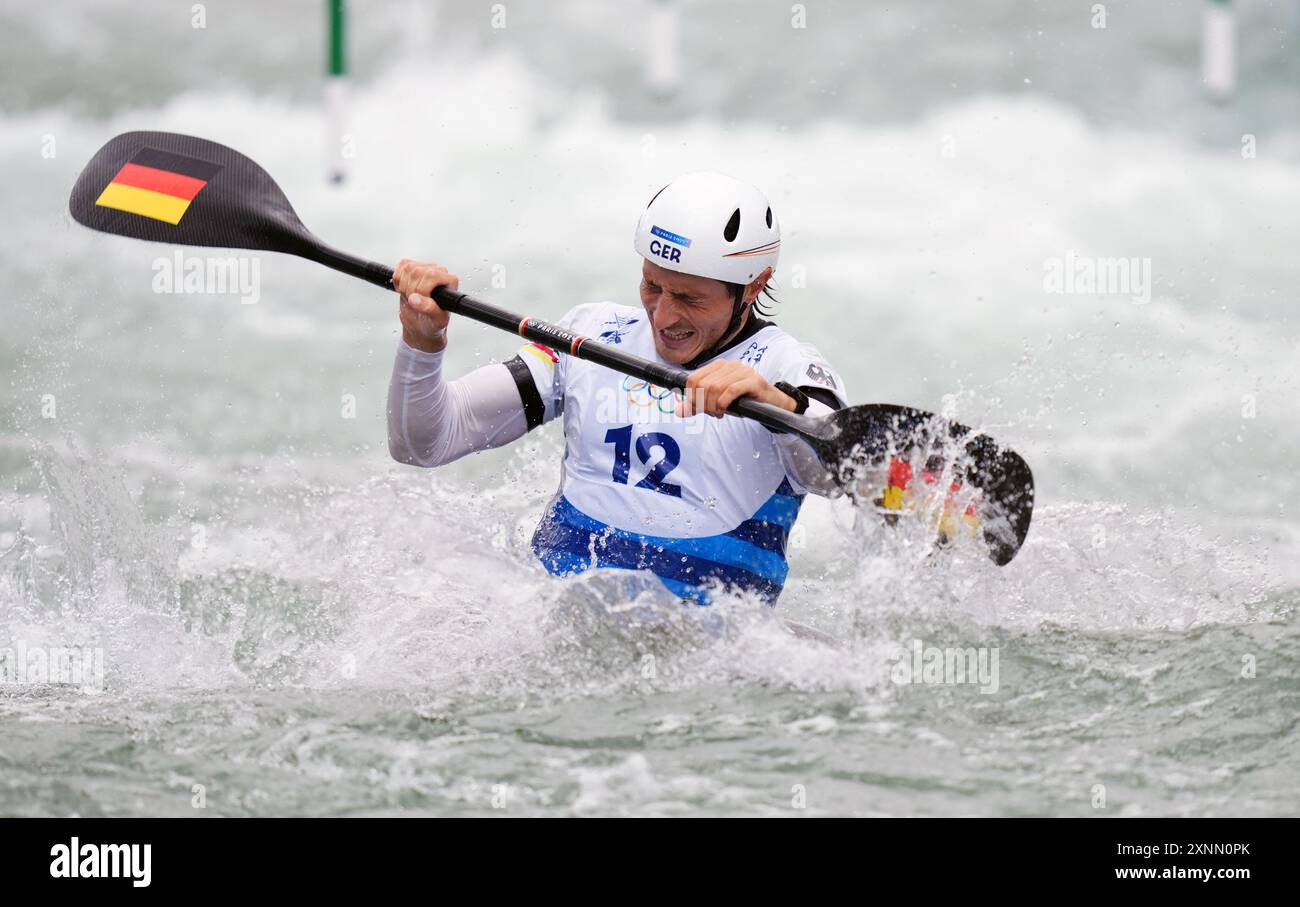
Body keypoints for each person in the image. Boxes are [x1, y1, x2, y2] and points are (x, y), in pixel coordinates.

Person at [387, 172, 847, 605]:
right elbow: (424, 444)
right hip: (548, 623)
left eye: (689, 298)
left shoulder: (787, 367)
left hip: (705, 659)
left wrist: (777, 402)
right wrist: (422, 341)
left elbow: (843, 474)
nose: (664, 317)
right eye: (652, 286)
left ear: (753, 287)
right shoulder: (590, 334)